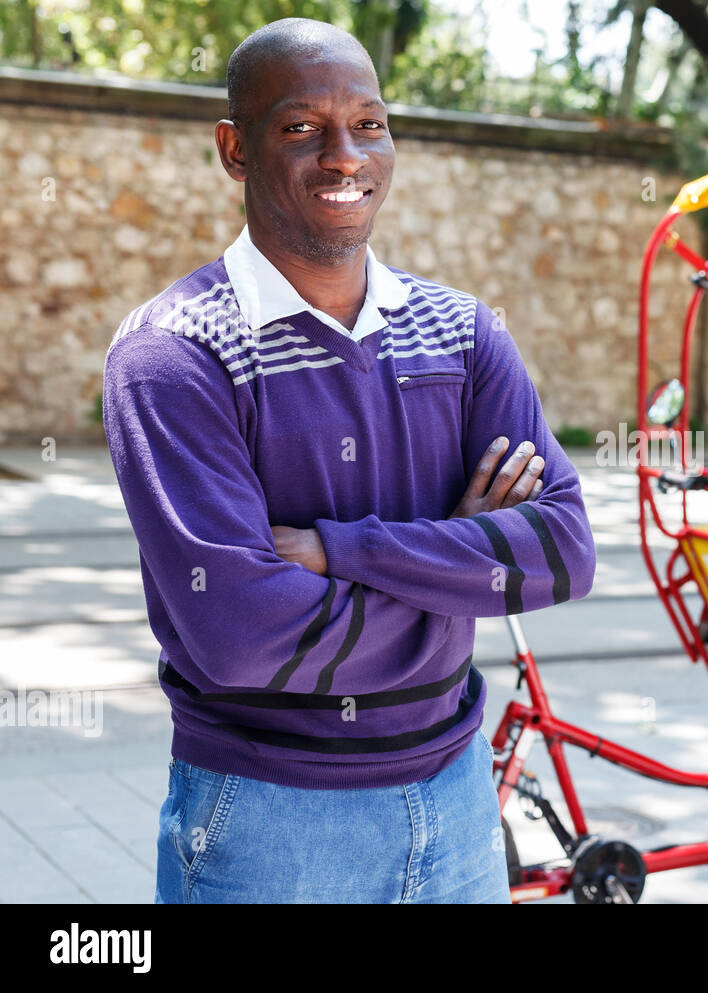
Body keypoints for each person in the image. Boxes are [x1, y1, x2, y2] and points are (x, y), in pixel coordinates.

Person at [101, 18, 596, 903]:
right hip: (269, 823)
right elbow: (242, 636)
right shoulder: (176, 355)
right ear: (234, 149)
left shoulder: (466, 334)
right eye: (301, 128)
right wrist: (458, 565)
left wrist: (344, 550)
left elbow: (563, 553)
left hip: (459, 803)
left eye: (368, 123)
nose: (344, 155)